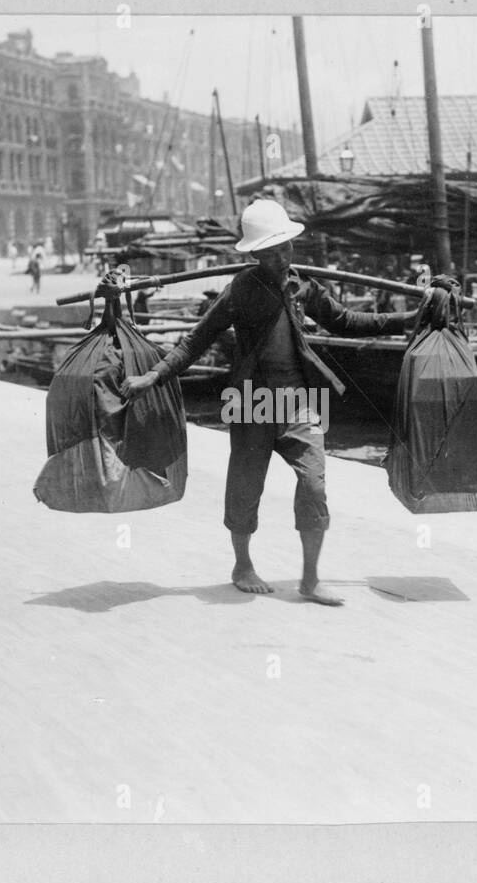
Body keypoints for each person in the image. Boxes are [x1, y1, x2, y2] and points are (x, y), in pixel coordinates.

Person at [120, 199, 416, 606]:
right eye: (271, 252)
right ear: (255, 253)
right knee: (245, 487)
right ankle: (242, 565)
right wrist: (154, 375)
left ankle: (310, 579)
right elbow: (196, 340)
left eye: (286, 249)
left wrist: (407, 320)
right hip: (251, 401)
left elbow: (346, 321)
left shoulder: (303, 287)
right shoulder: (241, 290)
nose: (281, 258)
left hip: (300, 400)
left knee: (313, 484)